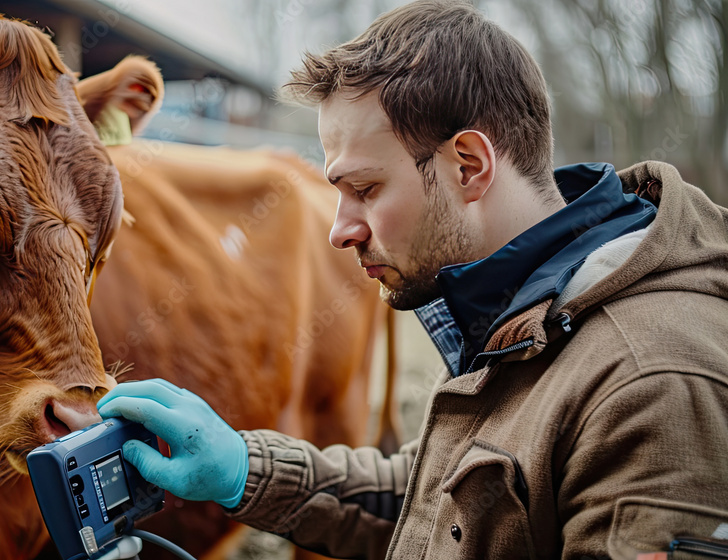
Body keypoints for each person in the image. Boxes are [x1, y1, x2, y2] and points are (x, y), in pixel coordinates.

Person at [98, 1, 728, 558]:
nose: (338, 231)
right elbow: (442, 506)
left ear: (470, 165)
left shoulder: (654, 385)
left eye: (365, 189)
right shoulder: (540, 302)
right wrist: (240, 471)